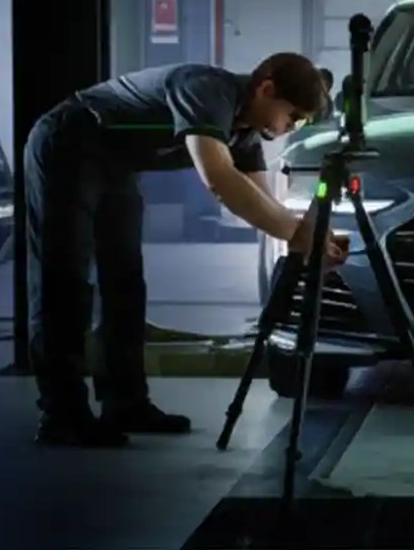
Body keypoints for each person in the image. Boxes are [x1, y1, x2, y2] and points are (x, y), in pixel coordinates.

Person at [24, 52, 345, 447]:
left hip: (114, 162)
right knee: (65, 278)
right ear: (266, 89)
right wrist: (300, 235)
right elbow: (219, 180)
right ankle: (62, 414)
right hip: (67, 141)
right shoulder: (208, 90)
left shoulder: (245, 132)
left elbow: (267, 209)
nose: (290, 129)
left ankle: (125, 403)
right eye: (292, 116)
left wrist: (316, 237)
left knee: (124, 282)